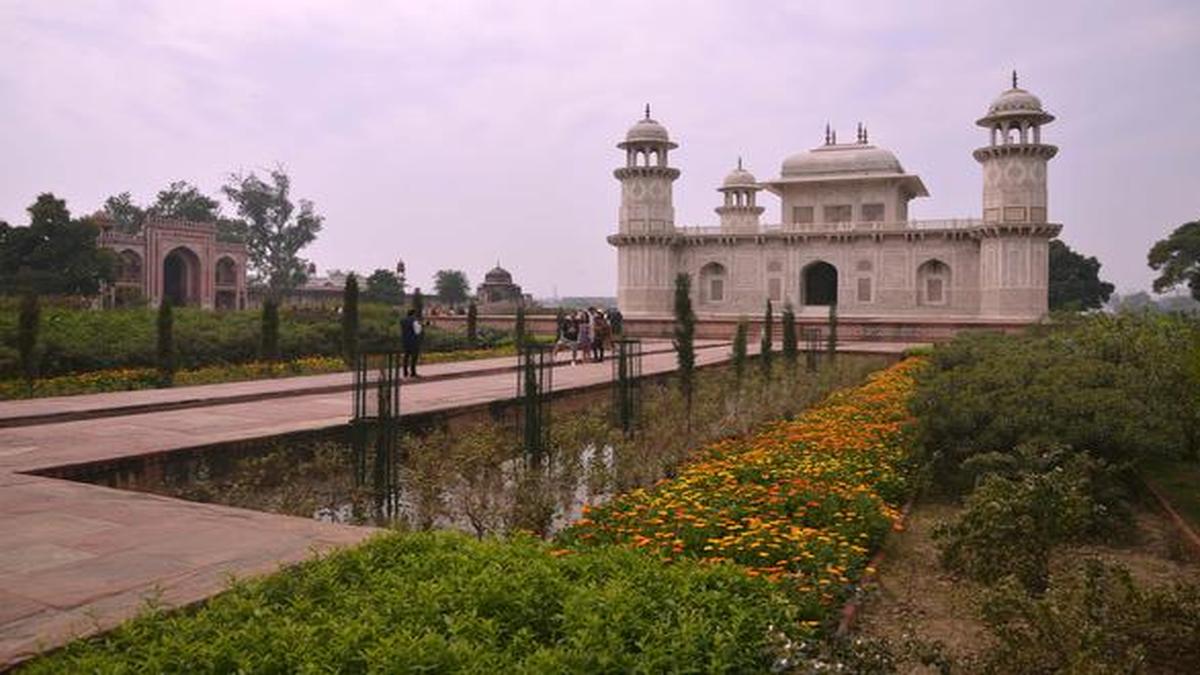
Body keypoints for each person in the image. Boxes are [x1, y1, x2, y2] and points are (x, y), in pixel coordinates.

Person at [400, 309, 423, 377]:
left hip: (405, 341)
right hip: (413, 341)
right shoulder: (414, 321)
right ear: (413, 314)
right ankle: (413, 372)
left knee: (406, 356)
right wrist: (421, 326)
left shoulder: (402, 320)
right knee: (414, 357)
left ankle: (405, 372)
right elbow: (417, 331)